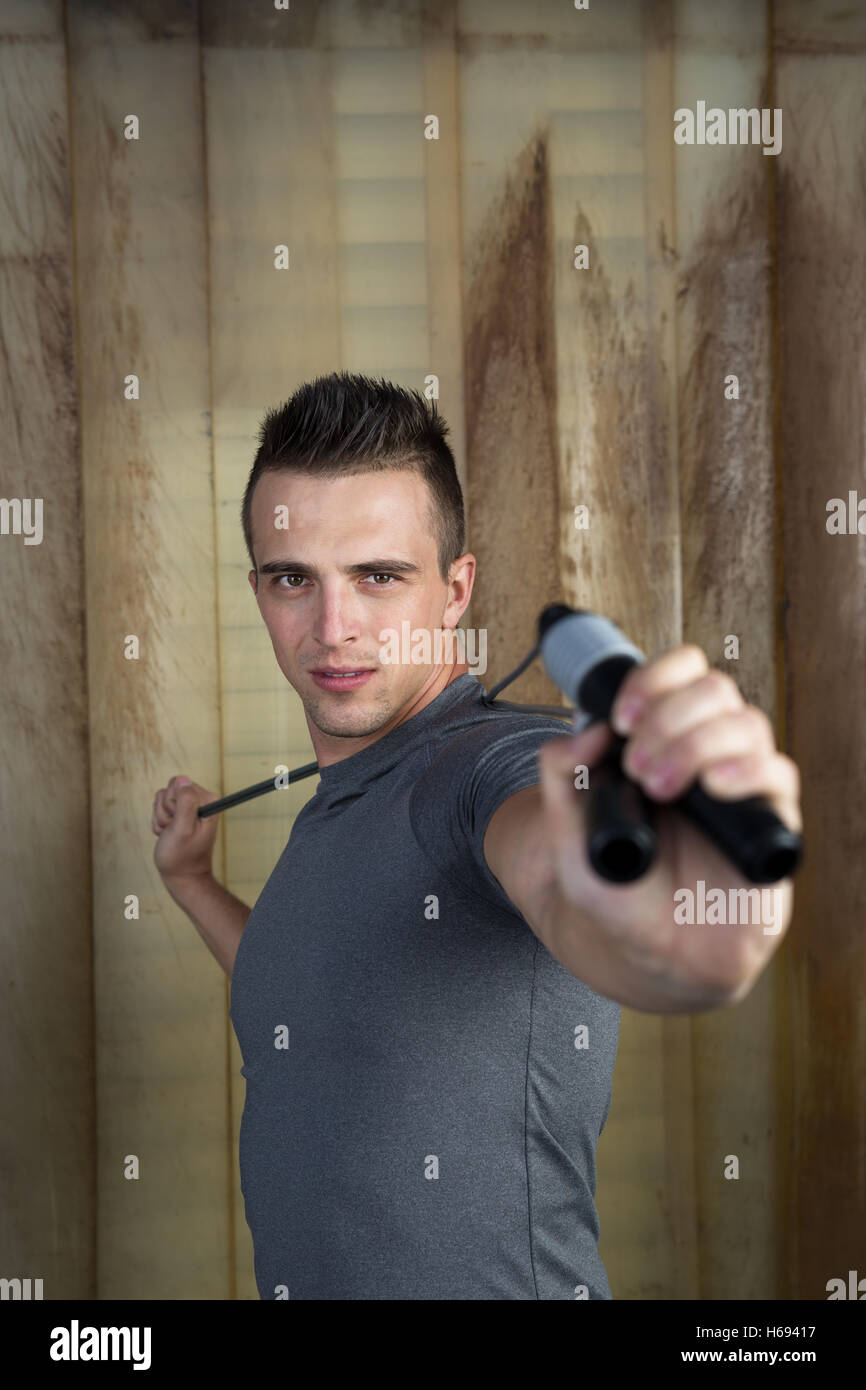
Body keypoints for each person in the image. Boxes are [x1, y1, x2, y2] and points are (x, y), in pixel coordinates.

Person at [151, 372, 801, 1300]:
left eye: (380, 576)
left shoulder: (493, 770)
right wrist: (189, 882)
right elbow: (306, 982)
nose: (334, 630)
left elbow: (596, 894)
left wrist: (697, 918)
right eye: (295, 579)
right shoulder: (333, 813)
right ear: (258, 588)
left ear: (456, 592)